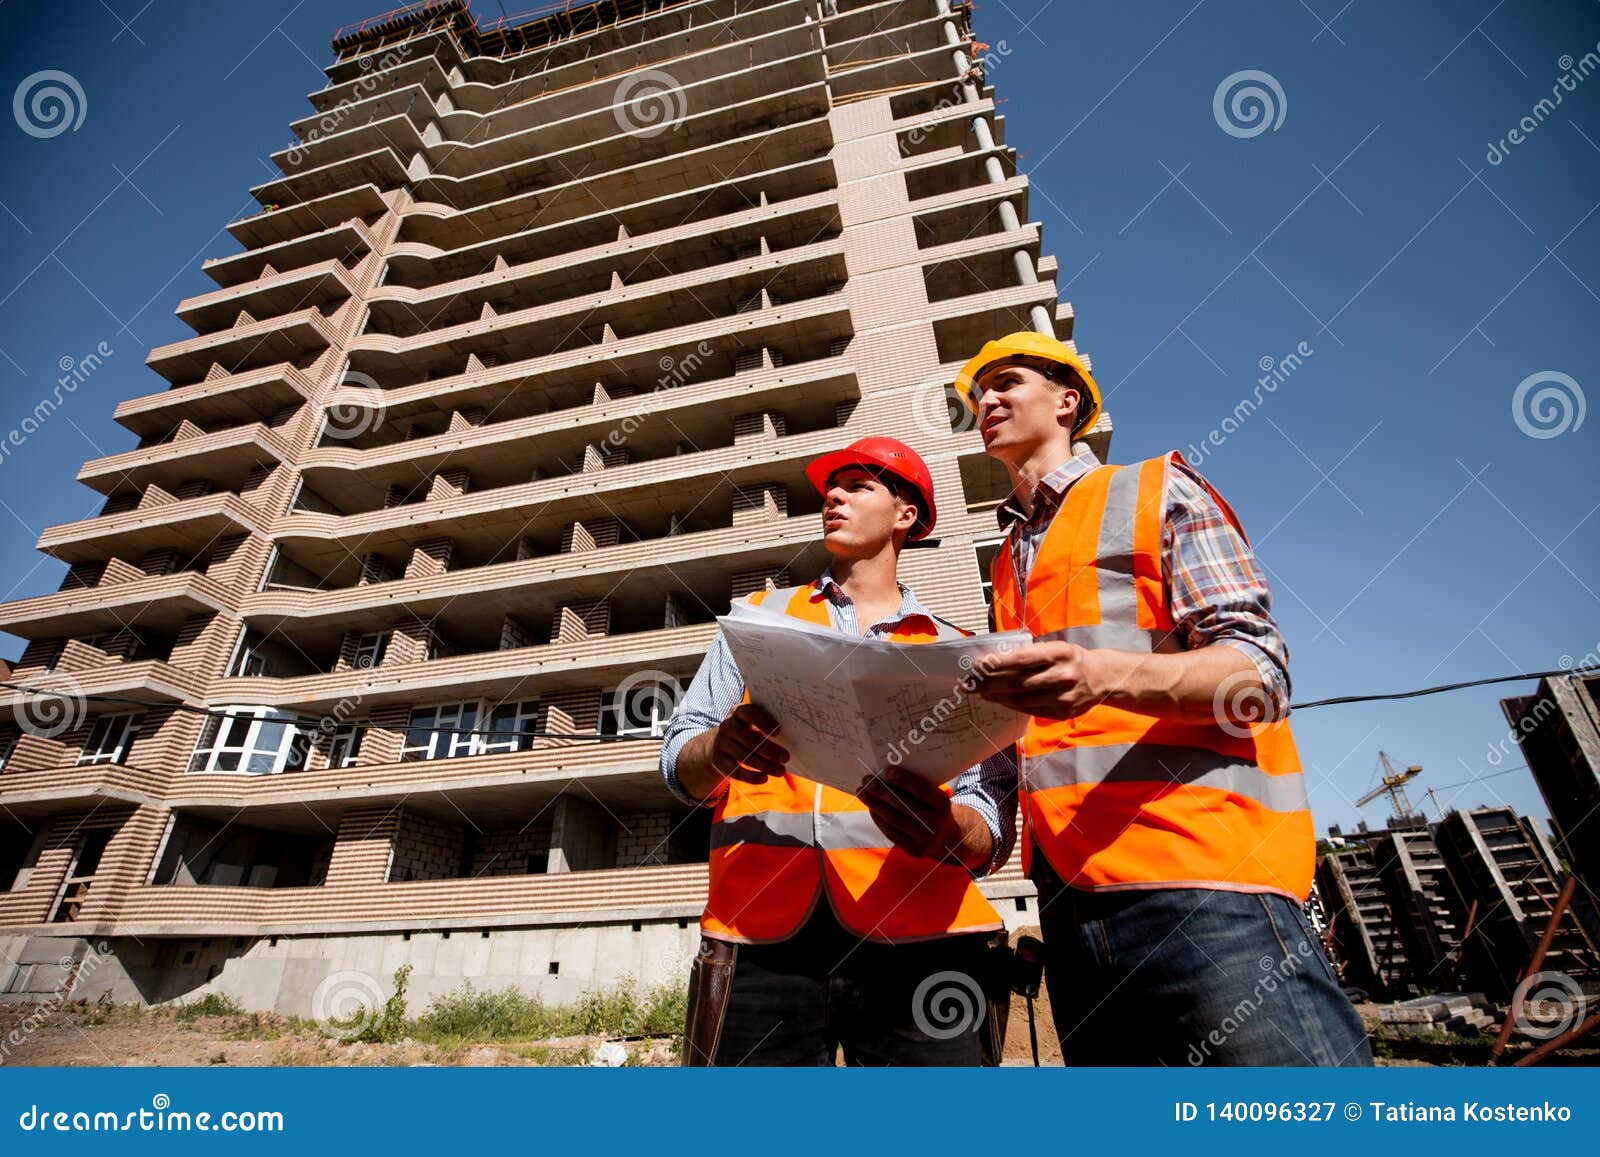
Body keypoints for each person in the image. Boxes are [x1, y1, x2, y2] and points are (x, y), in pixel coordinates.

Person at [956, 331, 1371, 1067]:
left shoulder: (1153, 490)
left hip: (1208, 887)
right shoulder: (1007, 563)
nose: (986, 401)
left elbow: (1258, 673)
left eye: (1007, 382)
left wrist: (1102, 675)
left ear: (1067, 400)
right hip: (1073, 906)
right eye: (978, 394)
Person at [661, 436, 1016, 1066]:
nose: (833, 497)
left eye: (858, 486)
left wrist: (948, 830)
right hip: (760, 937)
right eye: (831, 488)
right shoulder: (760, 621)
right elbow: (678, 764)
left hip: (923, 941)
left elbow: (989, 818)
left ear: (905, 515)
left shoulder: (956, 651)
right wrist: (719, 748)